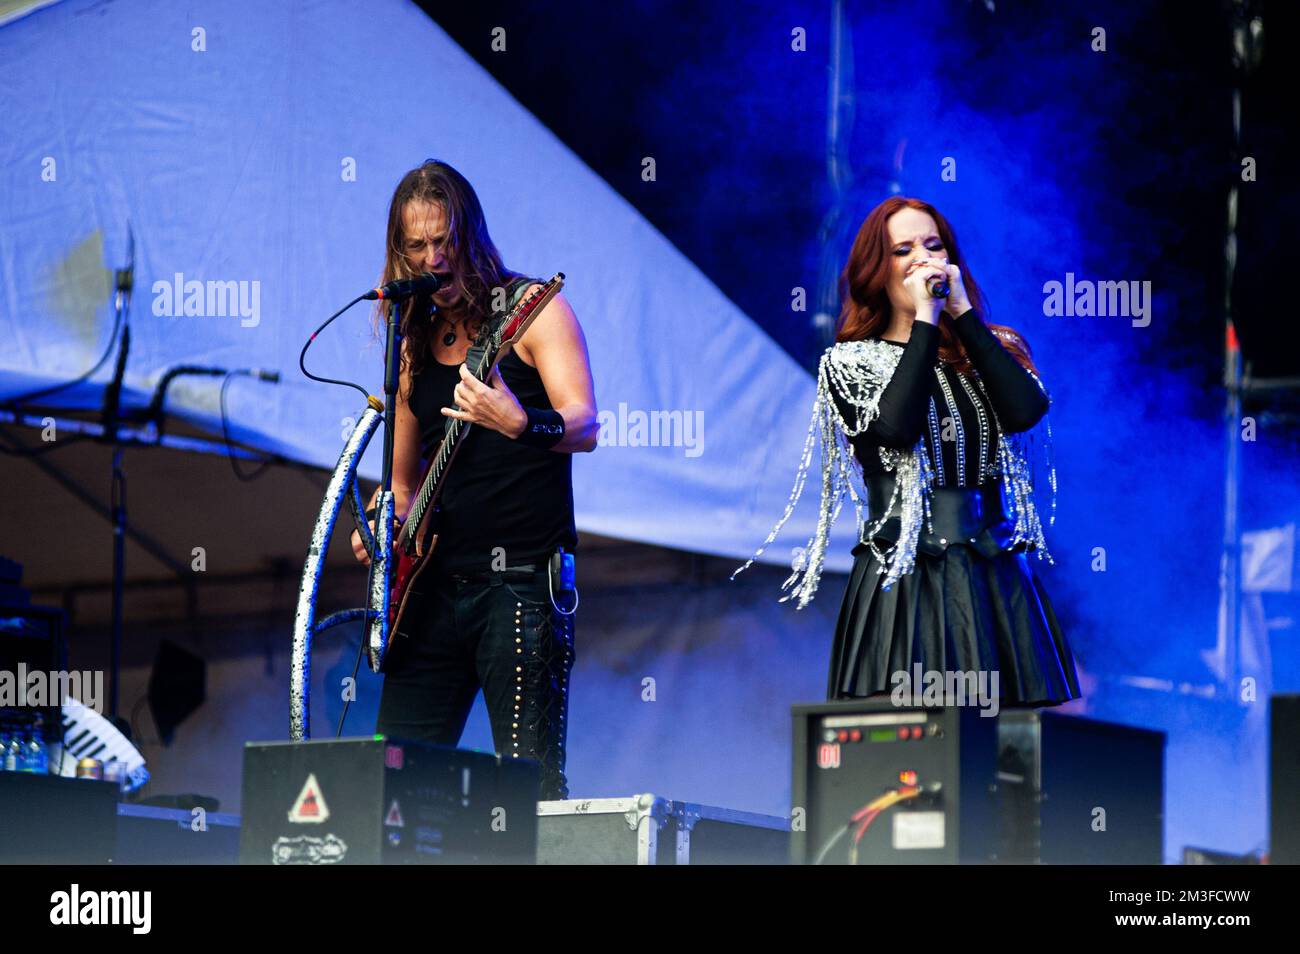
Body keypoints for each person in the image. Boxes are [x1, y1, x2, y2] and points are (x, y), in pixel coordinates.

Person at [740, 196, 1080, 708]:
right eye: (903, 249)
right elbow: (895, 428)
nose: (923, 257)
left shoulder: (993, 346)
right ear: (878, 270)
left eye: (933, 244)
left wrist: (961, 315)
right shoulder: (850, 362)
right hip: (906, 571)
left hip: (991, 564)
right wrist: (925, 318)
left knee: (1003, 744)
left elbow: (1026, 411)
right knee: (918, 734)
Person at [352, 160, 597, 798]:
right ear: (399, 253)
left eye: (445, 242)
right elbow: (402, 486)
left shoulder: (534, 308)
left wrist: (519, 422)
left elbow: (585, 424)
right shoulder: (409, 339)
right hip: (430, 590)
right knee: (392, 784)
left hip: (519, 585)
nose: (434, 259)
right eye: (417, 247)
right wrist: (384, 519)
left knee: (527, 788)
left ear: (471, 236)